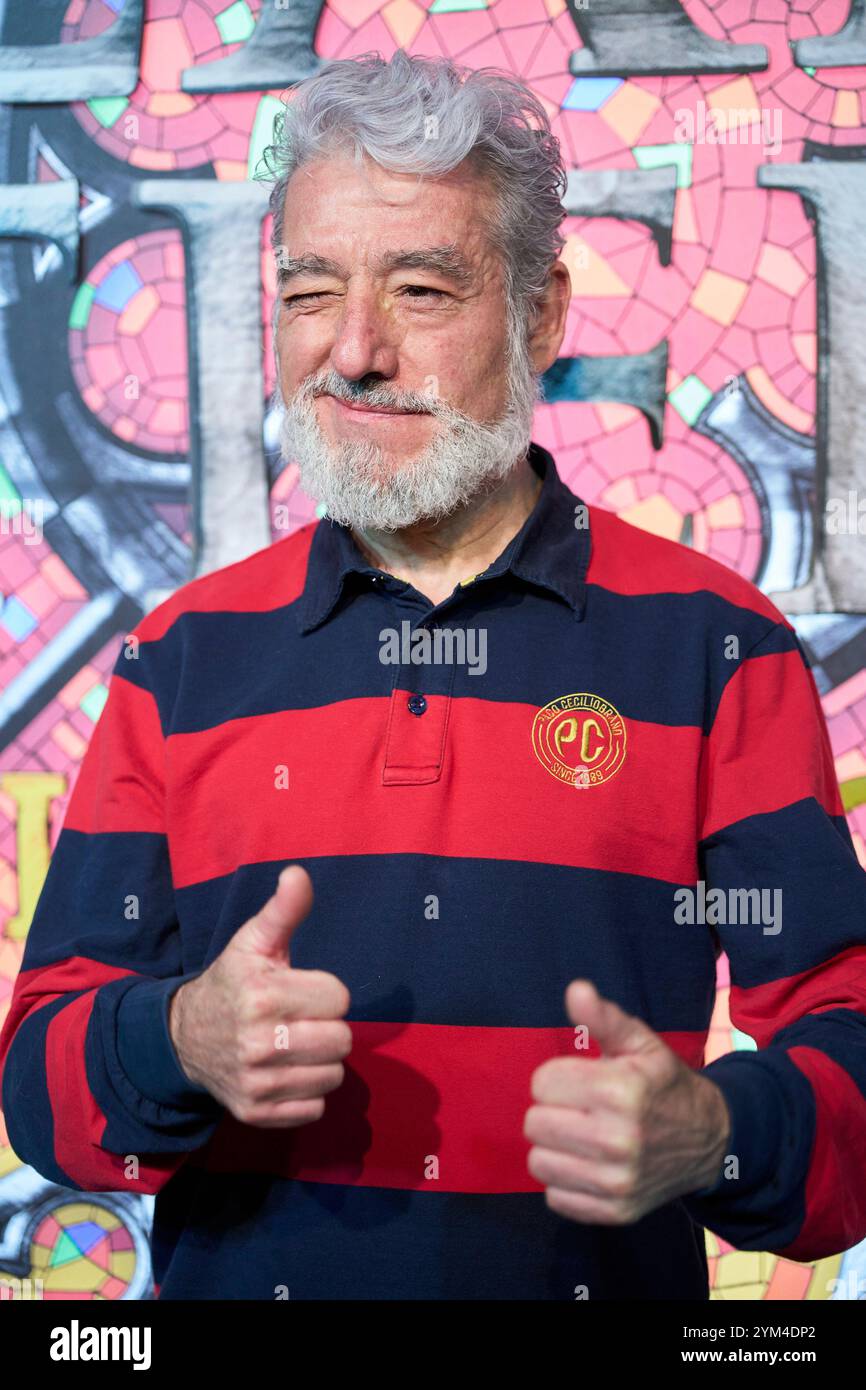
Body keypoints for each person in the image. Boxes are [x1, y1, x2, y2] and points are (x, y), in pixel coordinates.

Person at [2, 50, 865, 1301]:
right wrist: (174, 1039)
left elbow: (845, 1040)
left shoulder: (711, 645)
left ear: (543, 312)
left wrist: (719, 1133)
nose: (351, 353)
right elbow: (36, 1079)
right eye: (309, 292)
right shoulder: (179, 658)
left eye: (418, 288)